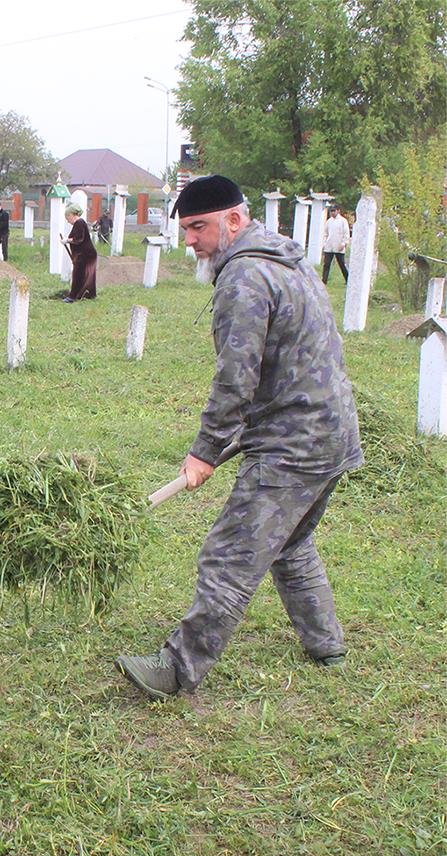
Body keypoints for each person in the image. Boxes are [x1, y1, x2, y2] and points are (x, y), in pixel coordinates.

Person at [114, 174, 362, 701]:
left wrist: (205, 451)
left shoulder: (245, 278)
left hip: (292, 444)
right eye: (184, 229)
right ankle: (326, 644)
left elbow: (236, 377)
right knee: (290, 543)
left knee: (229, 554)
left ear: (235, 219)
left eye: (199, 227)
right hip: (334, 431)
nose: (191, 240)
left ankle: (177, 669)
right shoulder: (288, 261)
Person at [63, 204, 97, 302]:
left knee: (79, 274)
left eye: (67, 217)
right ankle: (87, 295)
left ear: (71, 215)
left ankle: (72, 297)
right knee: (87, 275)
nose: (67, 220)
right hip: (86, 254)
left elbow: (78, 239)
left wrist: (67, 240)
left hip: (85, 255)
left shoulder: (79, 223)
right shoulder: (79, 223)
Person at [322, 205, 350, 284]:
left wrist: (344, 243)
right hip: (329, 246)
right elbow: (325, 233)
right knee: (326, 264)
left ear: (338, 211)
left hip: (339, 246)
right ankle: (324, 280)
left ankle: (348, 279)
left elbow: (346, 233)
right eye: (331, 211)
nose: (332, 213)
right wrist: (324, 243)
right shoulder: (329, 221)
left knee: (341, 264)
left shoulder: (343, 221)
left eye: (334, 211)